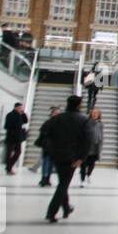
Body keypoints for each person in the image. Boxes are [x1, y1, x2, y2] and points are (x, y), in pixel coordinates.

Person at [43, 95, 90, 223]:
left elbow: (48, 136)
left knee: (63, 182)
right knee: (63, 184)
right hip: (72, 157)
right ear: (79, 105)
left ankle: (66, 207)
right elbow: (87, 141)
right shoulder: (83, 120)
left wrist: (52, 152)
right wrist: (82, 157)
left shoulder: (57, 118)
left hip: (57, 156)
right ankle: (51, 212)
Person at [35, 105, 61, 187]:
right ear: (52, 114)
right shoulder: (48, 123)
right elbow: (43, 133)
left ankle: (47, 178)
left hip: (55, 146)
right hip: (47, 146)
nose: (57, 115)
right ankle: (44, 178)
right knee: (46, 162)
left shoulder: (60, 123)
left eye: (58, 113)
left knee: (51, 163)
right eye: (55, 113)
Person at [3, 102, 28, 175]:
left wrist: (23, 113)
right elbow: (7, 126)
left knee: (18, 152)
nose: (21, 109)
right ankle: (8, 168)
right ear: (16, 107)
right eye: (20, 108)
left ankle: (9, 166)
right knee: (9, 153)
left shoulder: (20, 115)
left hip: (18, 137)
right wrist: (14, 132)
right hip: (11, 137)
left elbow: (26, 121)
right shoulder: (10, 115)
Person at [81, 108, 103, 186]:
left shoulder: (100, 124)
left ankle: (88, 174)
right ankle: (82, 179)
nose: (94, 115)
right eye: (93, 113)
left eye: (96, 113)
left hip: (95, 147)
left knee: (91, 163)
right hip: (86, 147)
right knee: (83, 164)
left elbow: (101, 135)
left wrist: (100, 145)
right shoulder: (86, 122)